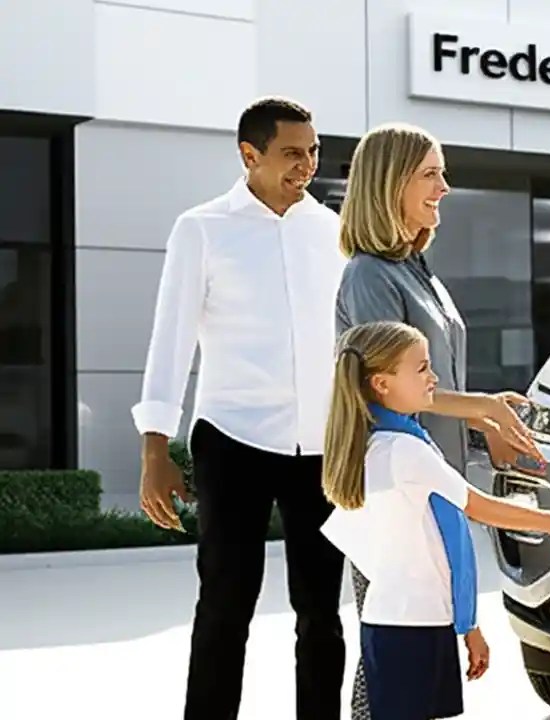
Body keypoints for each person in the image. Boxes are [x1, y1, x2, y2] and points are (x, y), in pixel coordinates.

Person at [132, 97, 350, 719]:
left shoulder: (333, 232)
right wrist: (155, 448)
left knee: (321, 611)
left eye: (314, 151)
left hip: (321, 446)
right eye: (291, 153)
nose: (307, 165)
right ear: (249, 154)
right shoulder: (201, 228)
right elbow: (171, 337)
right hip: (233, 440)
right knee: (226, 606)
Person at [332, 121, 550, 718]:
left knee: (418, 665)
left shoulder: (416, 268)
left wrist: (482, 427)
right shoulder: (369, 275)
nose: (444, 188)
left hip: (430, 488)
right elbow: (390, 386)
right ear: (390, 182)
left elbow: (431, 384)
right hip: (394, 498)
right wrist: (482, 409)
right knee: (387, 663)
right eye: (431, 174)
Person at [318, 320, 550, 720]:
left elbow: (432, 544)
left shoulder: (386, 443)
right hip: (410, 625)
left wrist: (468, 627)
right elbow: (479, 506)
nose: (433, 378)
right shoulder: (404, 451)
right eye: (421, 368)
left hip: (415, 619)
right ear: (382, 384)